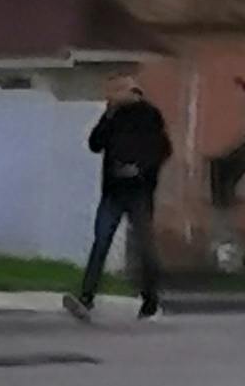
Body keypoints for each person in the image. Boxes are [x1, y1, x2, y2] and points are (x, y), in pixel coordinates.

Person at [70, 74, 177, 320]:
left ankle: (150, 299)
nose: (112, 98)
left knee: (144, 246)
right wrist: (106, 117)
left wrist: (140, 168)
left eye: (116, 94)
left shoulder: (150, 116)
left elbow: (162, 150)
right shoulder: (113, 116)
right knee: (101, 241)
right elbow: (95, 144)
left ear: (132, 92)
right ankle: (86, 296)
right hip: (113, 191)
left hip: (139, 191)